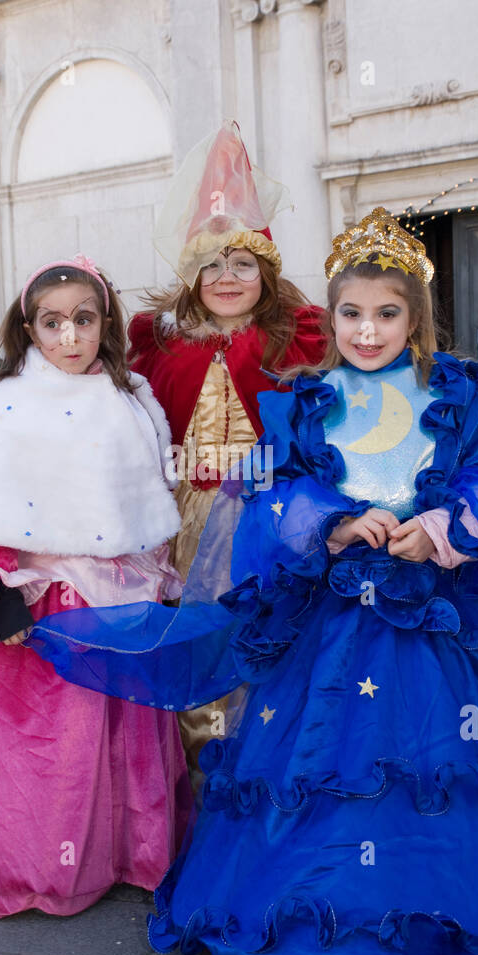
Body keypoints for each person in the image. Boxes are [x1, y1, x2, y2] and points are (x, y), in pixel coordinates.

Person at [27, 211, 478, 955]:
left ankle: (465, 909)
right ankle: (323, 913)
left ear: (417, 317)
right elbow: (269, 494)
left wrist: (440, 529)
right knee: (331, 767)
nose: (367, 331)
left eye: (387, 314)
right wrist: (334, 523)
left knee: (458, 765)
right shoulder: (305, 402)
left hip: (444, 622)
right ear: (334, 316)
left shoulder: (467, 393)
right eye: (352, 313)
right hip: (335, 625)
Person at [0, 257, 192, 921]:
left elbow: (145, 491)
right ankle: (31, 856)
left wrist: (160, 573)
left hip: (120, 599)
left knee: (119, 729)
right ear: (30, 330)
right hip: (46, 600)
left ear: (105, 323)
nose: (70, 337)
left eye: (83, 321)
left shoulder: (130, 401)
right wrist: (3, 585)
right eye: (53, 323)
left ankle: (123, 848)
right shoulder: (11, 403)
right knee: (48, 738)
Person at [129, 120, 327, 770]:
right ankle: (202, 770)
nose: (226, 276)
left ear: (266, 272)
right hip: (185, 518)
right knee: (199, 640)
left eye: (242, 263)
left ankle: (267, 760)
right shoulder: (162, 344)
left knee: (270, 635)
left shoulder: (294, 338)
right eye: (211, 265)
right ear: (190, 275)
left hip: (266, 517)